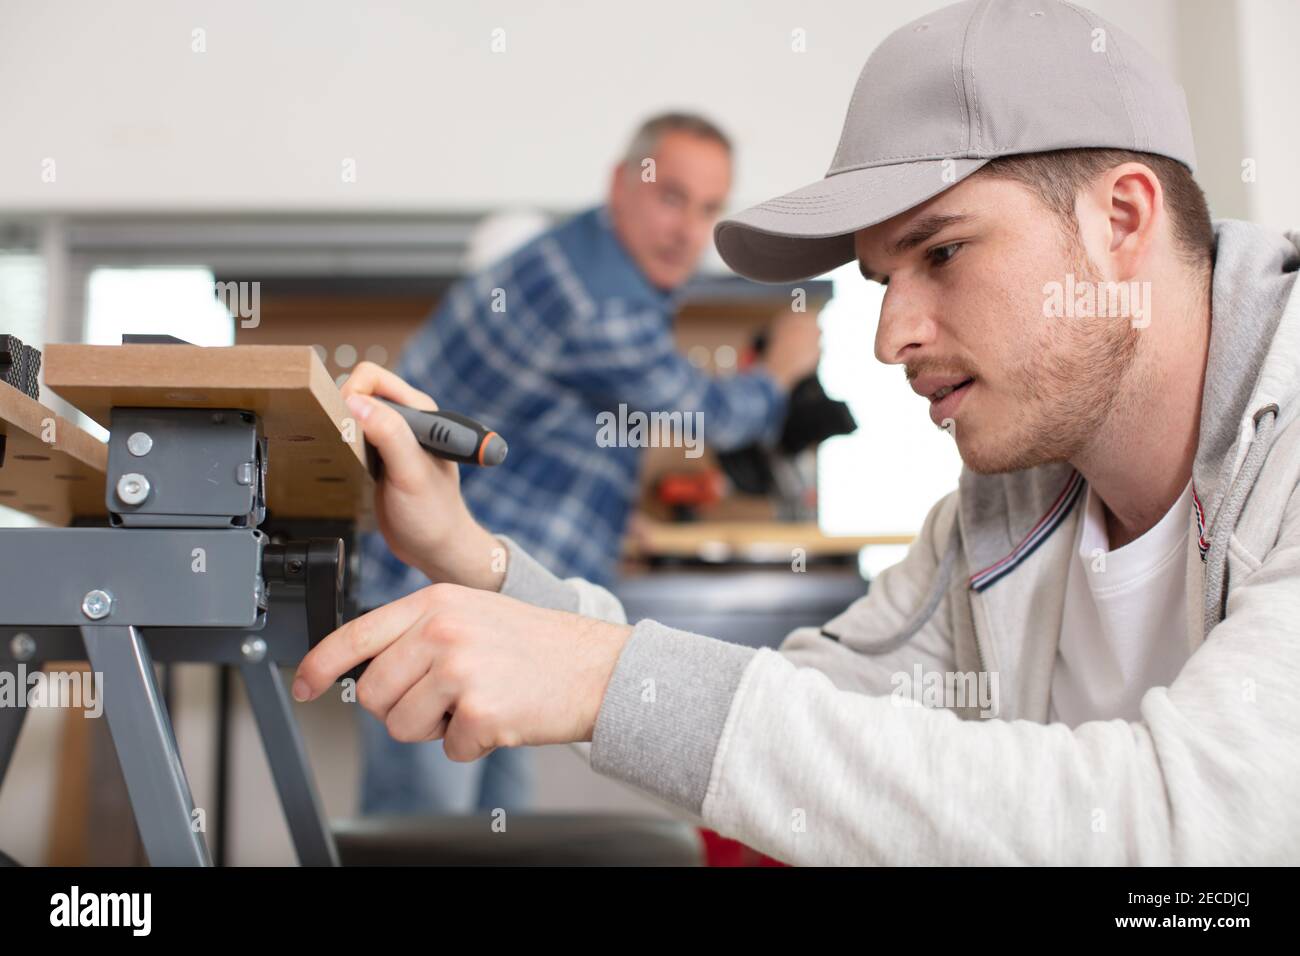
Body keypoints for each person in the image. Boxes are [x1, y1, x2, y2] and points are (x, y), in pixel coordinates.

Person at [296, 0, 1300, 863]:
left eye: (942, 252)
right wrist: (475, 557)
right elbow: (781, 709)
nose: (889, 336)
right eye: (881, 280)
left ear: (1120, 222)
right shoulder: (1007, 508)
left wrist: (605, 679)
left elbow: (1188, 832)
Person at [355, 112, 822, 815]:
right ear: (618, 187)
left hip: (478, 605)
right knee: (425, 840)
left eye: (709, 209)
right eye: (671, 197)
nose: (689, 230)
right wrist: (781, 370)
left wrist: (611, 507)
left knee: (486, 836)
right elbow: (708, 415)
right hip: (437, 601)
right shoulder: (597, 297)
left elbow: (549, 424)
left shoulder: (584, 262)